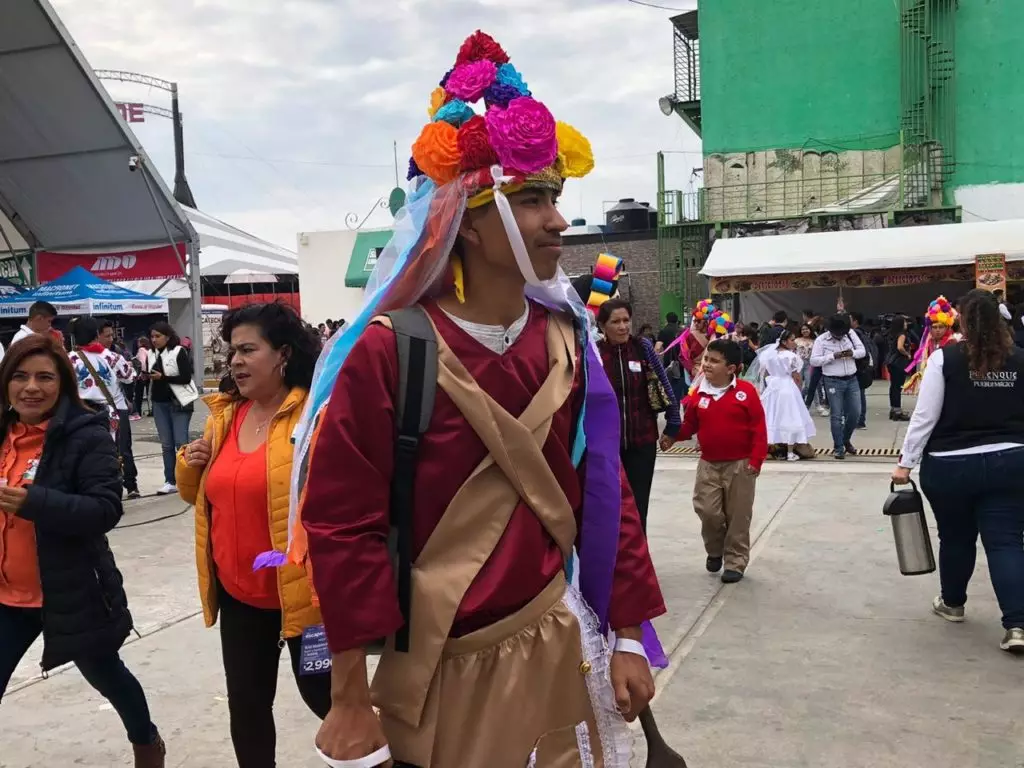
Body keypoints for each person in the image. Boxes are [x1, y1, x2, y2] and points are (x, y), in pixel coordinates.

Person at [299, 31, 665, 767]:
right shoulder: (390, 350)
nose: (558, 221)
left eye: (556, 198)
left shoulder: (566, 338)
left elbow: (605, 492)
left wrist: (628, 629)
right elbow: (344, 526)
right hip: (441, 668)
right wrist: (348, 693)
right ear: (468, 219)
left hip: (562, 644)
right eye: (532, 200)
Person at [0, 335, 165, 766]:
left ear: (64, 385)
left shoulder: (84, 434)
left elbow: (105, 508)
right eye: (19, 376)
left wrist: (35, 502)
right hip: (6, 596)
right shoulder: (2, 432)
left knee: (108, 676)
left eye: (44, 377)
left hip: (70, 590)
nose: (30, 387)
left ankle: (147, 744)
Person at [177, 303, 330, 766]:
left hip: (305, 595)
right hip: (240, 594)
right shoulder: (225, 416)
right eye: (232, 351)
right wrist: (190, 463)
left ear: (282, 354)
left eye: (248, 350)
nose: (235, 361)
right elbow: (200, 496)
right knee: (246, 708)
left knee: (328, 702)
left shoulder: (313, 416)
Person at [892, 289, 1024, 655]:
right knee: (1006, 542)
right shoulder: (1020, 359)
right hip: (1011, 463)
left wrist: (906, 462)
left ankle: (953, 603)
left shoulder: (944, 360)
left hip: (951, 465)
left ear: (962, 321)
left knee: (955, 537)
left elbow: (925, 415)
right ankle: (1017, 624)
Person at [679, 339, 767, 583]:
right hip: (708, 464)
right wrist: (671, 435)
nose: (706, 364)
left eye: (714, 361)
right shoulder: (698, 393)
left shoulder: (746, 392)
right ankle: (715, 549)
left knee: (738, 516)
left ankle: (735, 562)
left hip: (741, 465)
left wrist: (756, 461)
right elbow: (690, 426)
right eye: (707, 359)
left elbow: (759, 428)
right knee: (708, 511)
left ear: (731, 368)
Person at [597, 298, 681, 530]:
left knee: (638, 503)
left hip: (642, 441)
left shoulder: (642, 348)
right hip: (606, 444)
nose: (623, 326)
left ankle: (638, 560)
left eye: (626, 320)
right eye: (616, 322)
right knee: (609, 505)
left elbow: (664, 384)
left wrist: (673, 425)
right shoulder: (594, 353)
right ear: (603, 326)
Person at [66, 318, 140, 499]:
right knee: (115, 452)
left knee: (86, 453)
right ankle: (118, 489)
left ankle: (90, 489)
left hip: (81, 413)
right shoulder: (111, 356)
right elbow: (130, 377)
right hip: (110, 413)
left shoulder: (69, 360)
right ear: (95, 335)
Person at [810, 314, 866, 460]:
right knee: (836, 415)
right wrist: (832, 356)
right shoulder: (821, 340)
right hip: (832, 380)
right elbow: (814, 361)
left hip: (852, 379)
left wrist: (851, 353)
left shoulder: (851, 334)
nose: (840, 336)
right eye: (837, 334)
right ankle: (838, 447)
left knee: (855, 413)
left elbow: (862, 351)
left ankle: (845, 438)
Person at [149, 321, 195, 496]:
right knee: (166, 444)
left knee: (181, 443)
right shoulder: (151, 353)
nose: (154, 340)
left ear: (167, 337)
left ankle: (188, 478)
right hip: (159, 402)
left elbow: (185, 377)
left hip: (178, 402)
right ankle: (170, 480)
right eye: (152, 336)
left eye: (158, 336)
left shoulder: (178, 351)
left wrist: (164, 377)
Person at [757, 330, 815, 461]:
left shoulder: (768, 356)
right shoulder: (791, 356)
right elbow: (797, 377)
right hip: (787, 387)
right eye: (792, 340)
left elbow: (765, 374)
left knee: (772, 416)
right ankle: (789, 452)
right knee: (790, 417)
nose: (794, 342)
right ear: (784, 341)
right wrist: (798, 390)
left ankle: (771, 447)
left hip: (773, 388)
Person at [903, 296, 958, 397]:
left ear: (947, 328)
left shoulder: (953, 342)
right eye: (934, 327)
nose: (937, 330)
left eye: (941, 327)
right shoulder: (928, 342)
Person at [849, 312, 874, 430]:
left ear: (855, 321)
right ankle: (860, 420)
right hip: (863, 368)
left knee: (857, 395)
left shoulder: (855, 334)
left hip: (858, 368)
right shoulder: (864, 333)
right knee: (860, 394)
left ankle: (859, 420)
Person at [657, 311, 685, 401]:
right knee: (680, 382)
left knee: (669, 384)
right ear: (677, 320)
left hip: (669, 361)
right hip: (682, 360)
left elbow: (657, 348)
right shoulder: (682, 331)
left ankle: (672, 403)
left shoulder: (664, 331)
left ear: (667, 320)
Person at [133, 336, 154, 418]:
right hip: (149, 374)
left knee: (139, 394)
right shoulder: (148, 350)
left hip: (143, 375)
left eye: (138, 342)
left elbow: (142, 362)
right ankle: (152, 410)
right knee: (149, 393)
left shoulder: (141, 350)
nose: (137, 344)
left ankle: (138, 411)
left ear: (141, 343)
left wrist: (142, 373)